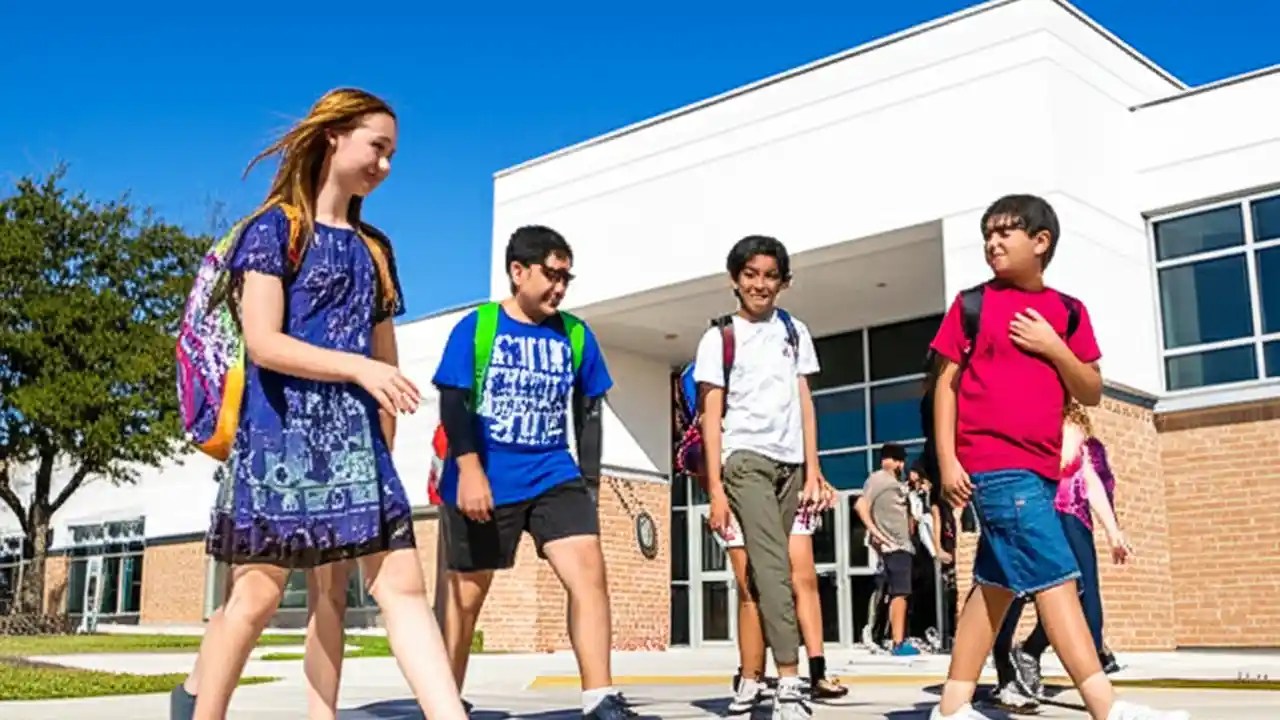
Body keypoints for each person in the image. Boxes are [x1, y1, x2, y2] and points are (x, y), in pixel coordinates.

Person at [180, 88, 467, 720]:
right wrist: (358, 369)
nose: (385, 166)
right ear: (333, 135)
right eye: (377, 147)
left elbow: (384, 361)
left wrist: (382, 438)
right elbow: (264, 342)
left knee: (401, 590)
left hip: (358, 448)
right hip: (278, 440)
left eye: (393, 154)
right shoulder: (274, 229)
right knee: (254, 596)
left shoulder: (375, 249)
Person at [927, 194, 1186, 720]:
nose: (992, 243)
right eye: (988, 234)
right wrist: (948, 460)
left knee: (995, 586)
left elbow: (1089, 389)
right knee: (1057, 577)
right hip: (994, 464)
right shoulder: (971, 305)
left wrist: (1053, 346)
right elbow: (945, 385)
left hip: (1042, 468)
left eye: (1006, 232)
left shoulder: (1068, 312)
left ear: (1041, 242)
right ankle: (1104, 706)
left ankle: (951, 708)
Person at [432, 226, 629, 719]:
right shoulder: (477, 328)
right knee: (465, 599)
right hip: (485, 475)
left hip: (552, 472)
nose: (560, 288)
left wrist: (587, 484)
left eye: (567, 277)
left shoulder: (576, 335)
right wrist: (471, 470)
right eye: (552, 274)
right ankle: (443, 702)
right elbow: (453, 404)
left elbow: (589, 411)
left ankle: (600, 697)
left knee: (588, 574)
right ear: (518, 272)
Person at [697, 235, 824, 720]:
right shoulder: (719, 337)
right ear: (735, 279)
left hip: (790, 464)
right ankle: (789, 681)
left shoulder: (794, 330)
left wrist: (813, 469)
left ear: (784, 282)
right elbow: (712, 415)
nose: (760, 284)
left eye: (770, 276)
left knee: (757, 578)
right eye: (750, 274)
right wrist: (715, 490)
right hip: (744, 460)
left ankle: (750, 678)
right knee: (775, 572)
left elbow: (805, 402)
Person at [991, 400, 1133, 709]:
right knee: (1010, 595)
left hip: (1072, 520)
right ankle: (1005, 671)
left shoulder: (1074, 425)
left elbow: (1089, 479)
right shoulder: (1025, 420)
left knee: (1081, 596)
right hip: (1035, 516)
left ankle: (1032, 652)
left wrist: (1113, 530)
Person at [718, 482, 849, 715]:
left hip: (786, 481)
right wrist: (716, 491)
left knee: (804, 581)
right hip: (740, 485)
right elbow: (701, 450)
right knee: (750, 588)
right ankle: (750, 676)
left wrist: (815, 476)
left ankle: (817, 672)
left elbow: (805, 445)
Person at [855, 444, 919, 657]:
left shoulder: (891, 484)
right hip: (895, 547)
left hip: (898, 546)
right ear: (897, 461)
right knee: (900, 594)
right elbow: (860, 505)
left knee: (893, 593)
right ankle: (898, 643)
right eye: (900, 461)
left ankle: (890, 638)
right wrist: (877, 533)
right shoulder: (879, 479)